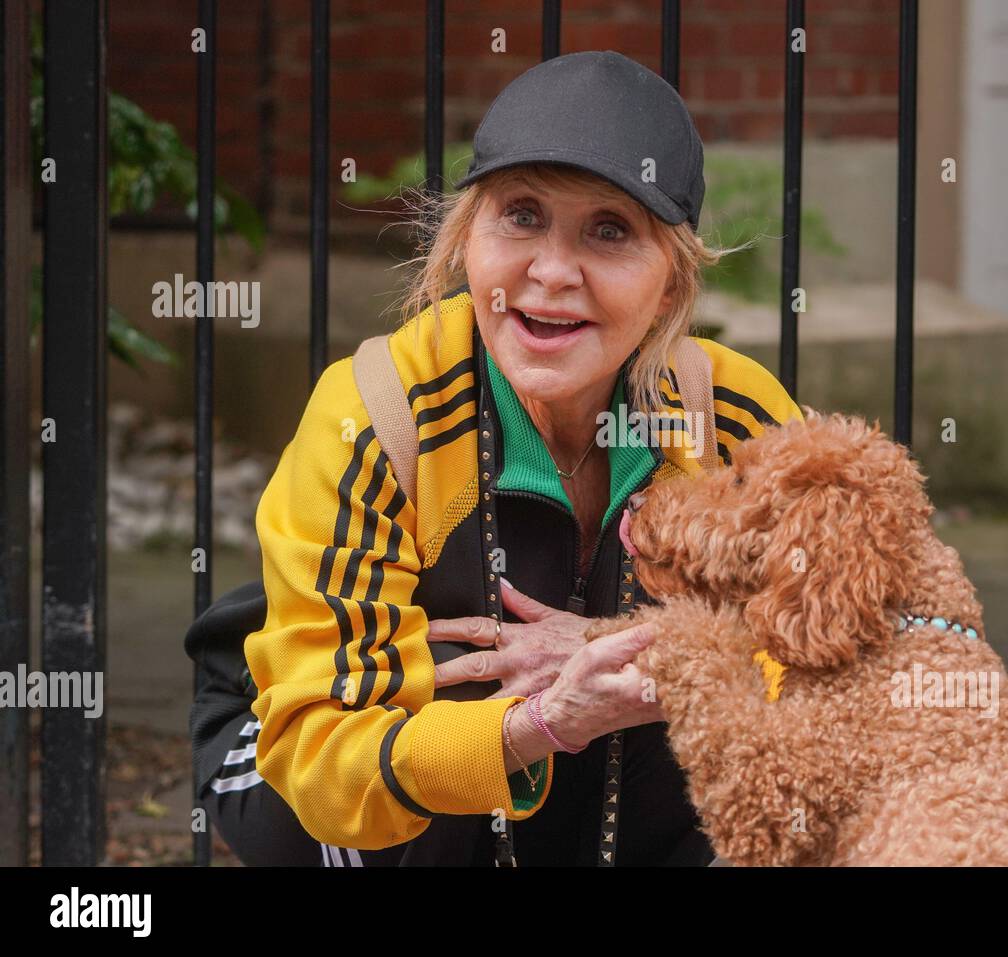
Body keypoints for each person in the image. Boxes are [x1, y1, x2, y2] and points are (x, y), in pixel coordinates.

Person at [204, 49, 802, 866]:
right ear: (465, 244)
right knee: (468, 667)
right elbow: (320, 753)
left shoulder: (732, 422)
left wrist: (637, 651)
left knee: (704, 708)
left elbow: (872, 653)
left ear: (671, 285)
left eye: (610, 229)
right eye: (521, 215)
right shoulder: (374, 415)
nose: (552, 273)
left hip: (600, 789)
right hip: (320, 751)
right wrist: (549, 715)